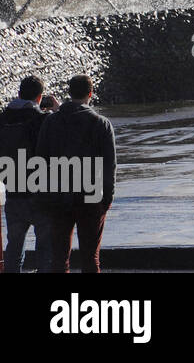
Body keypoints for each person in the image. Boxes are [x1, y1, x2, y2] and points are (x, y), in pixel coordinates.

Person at [36, 75, 115, 274]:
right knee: (90, 258)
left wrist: (44, 194)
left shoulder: (51, 122)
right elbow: (109, 165)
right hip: (91, 196)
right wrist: (107, 197)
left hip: (58, 195)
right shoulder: (101, 123)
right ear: (90, 94)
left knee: (59, 258)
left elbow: (41, 159)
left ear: (69, 93)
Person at [0, 76, 56, 273]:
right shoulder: (43, 120)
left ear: (18, 94)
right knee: (45, 249)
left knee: (14, 248)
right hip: (40, 194)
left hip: (13, 192)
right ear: (39, 97)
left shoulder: (3, 119)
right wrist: (56, 110)